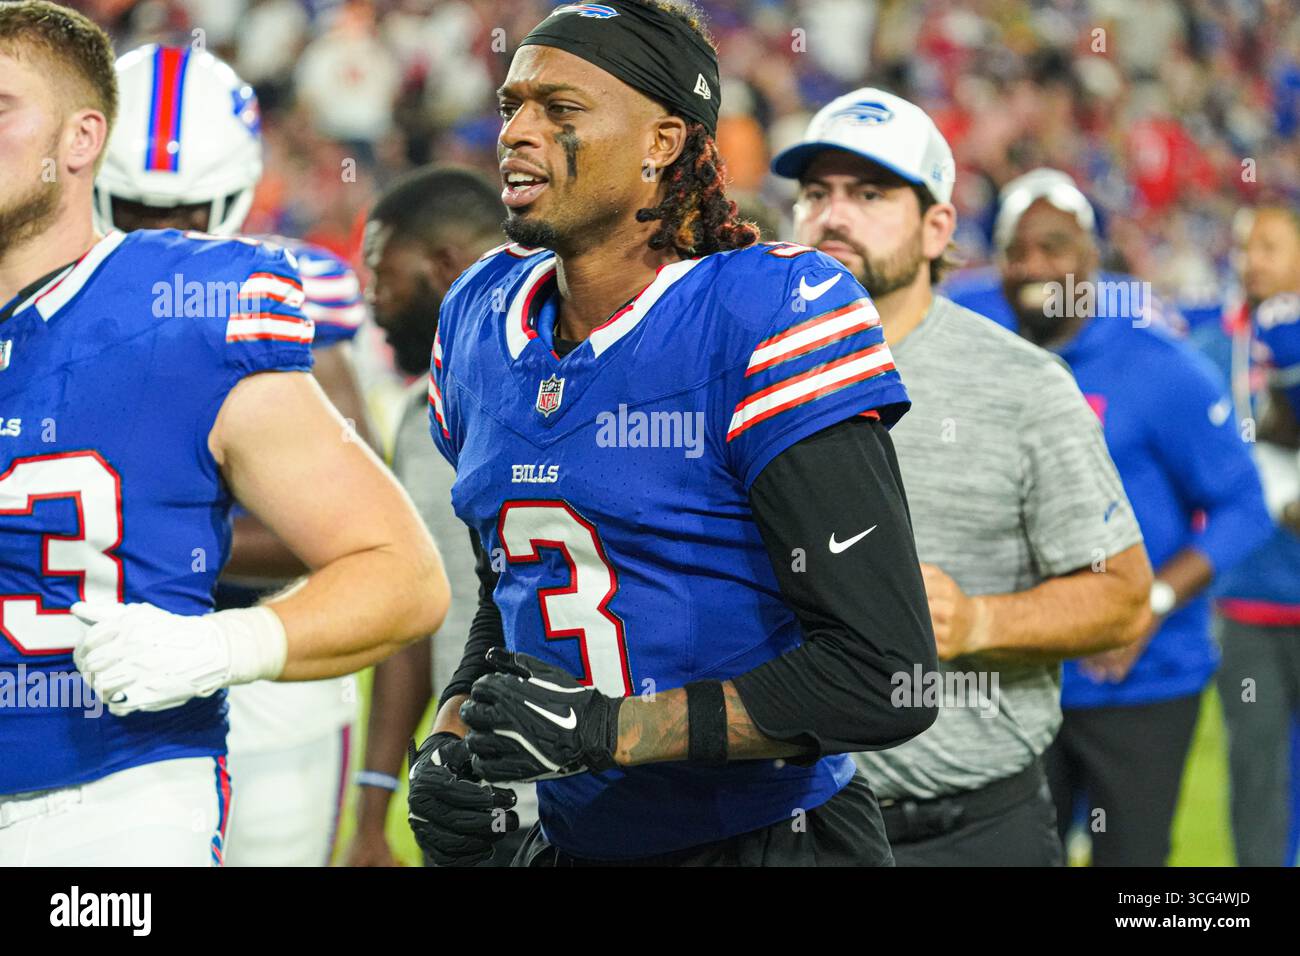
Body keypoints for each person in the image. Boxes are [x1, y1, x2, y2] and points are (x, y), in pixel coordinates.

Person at [408, 0, 938, 867]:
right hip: (577, 840)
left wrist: (617, 729)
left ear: (662, 142)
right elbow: (512, 588)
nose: (518, 132)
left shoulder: (761, 312)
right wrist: (455, 730)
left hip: (767, 840)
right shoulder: (477, 313)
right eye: (513, 107)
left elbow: (884, 676)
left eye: (560, 110)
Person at [0, 1, 448, 866]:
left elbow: (401, 574)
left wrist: (221, 642)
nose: (164, 227)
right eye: (138, 205)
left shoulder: (206, 316)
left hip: (106, 793)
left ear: (81, 141)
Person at [772, 88, 1153, 866]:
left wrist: (978, 621)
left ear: (938, 226)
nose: (833, 216)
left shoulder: (1024, 385)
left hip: (971, 831)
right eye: (816, 194)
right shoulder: (744, 372)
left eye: (870, 194)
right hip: (787, 821)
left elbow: (1124, 595)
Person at [94, 43, 375, 866]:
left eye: (184, 213)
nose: (162, 238)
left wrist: (138, 543)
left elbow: (340, 534)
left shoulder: (287, 294)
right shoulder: (39, 295)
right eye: (137, 209)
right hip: (86, 674)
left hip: (263, 670)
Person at [989, 169, 1273, 866]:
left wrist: (1148, 602)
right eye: (1017, 250)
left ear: (1091, 256)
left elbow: (1244, 505)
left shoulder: (1159, 366)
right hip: (1019, 682)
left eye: (1054, 246)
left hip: (1141, 683)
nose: (1034, 266)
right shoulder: (988, 362)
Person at [345, 165, 537, 867]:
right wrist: (373, 809)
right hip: (467, 802)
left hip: (605, 795)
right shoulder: (421, 410)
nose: (372, 300)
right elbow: (413, 617)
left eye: (380, 274)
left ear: (445, 265)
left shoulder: (581, 382)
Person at [1195, 205, 1300, 866]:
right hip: (1248, 602)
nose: (1252, 258)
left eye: (1270, 244)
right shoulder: (1209, 351)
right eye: (1244, 246)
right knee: (1255, 776)